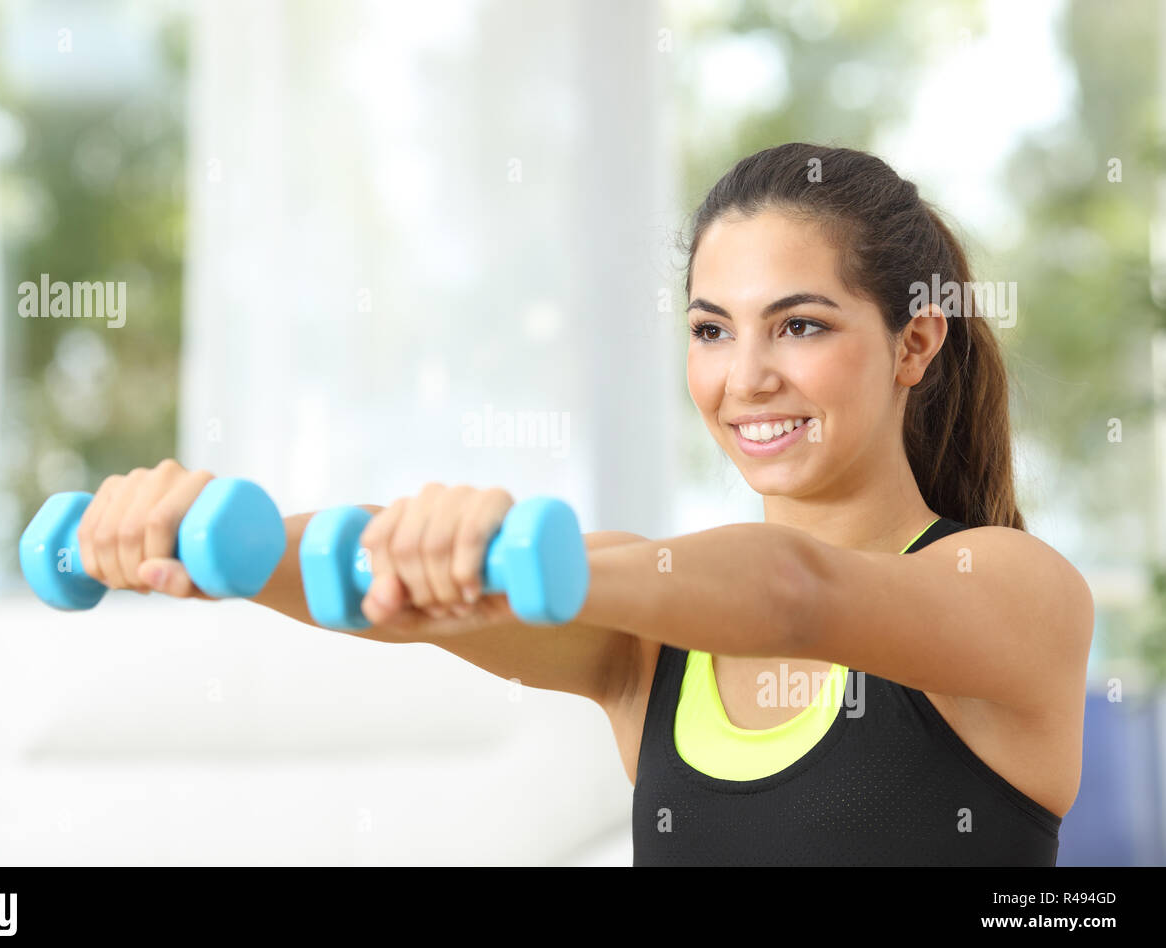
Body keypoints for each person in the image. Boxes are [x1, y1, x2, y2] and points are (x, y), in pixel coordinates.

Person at [73, 143, 1093, 866]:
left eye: (799, 326)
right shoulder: (646, 643)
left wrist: (516, 557)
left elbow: (797, 590)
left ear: (915, 342)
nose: (744, 378)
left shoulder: (1010, 587)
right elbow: (367, 579)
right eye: (709, 331)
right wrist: (215, 543)